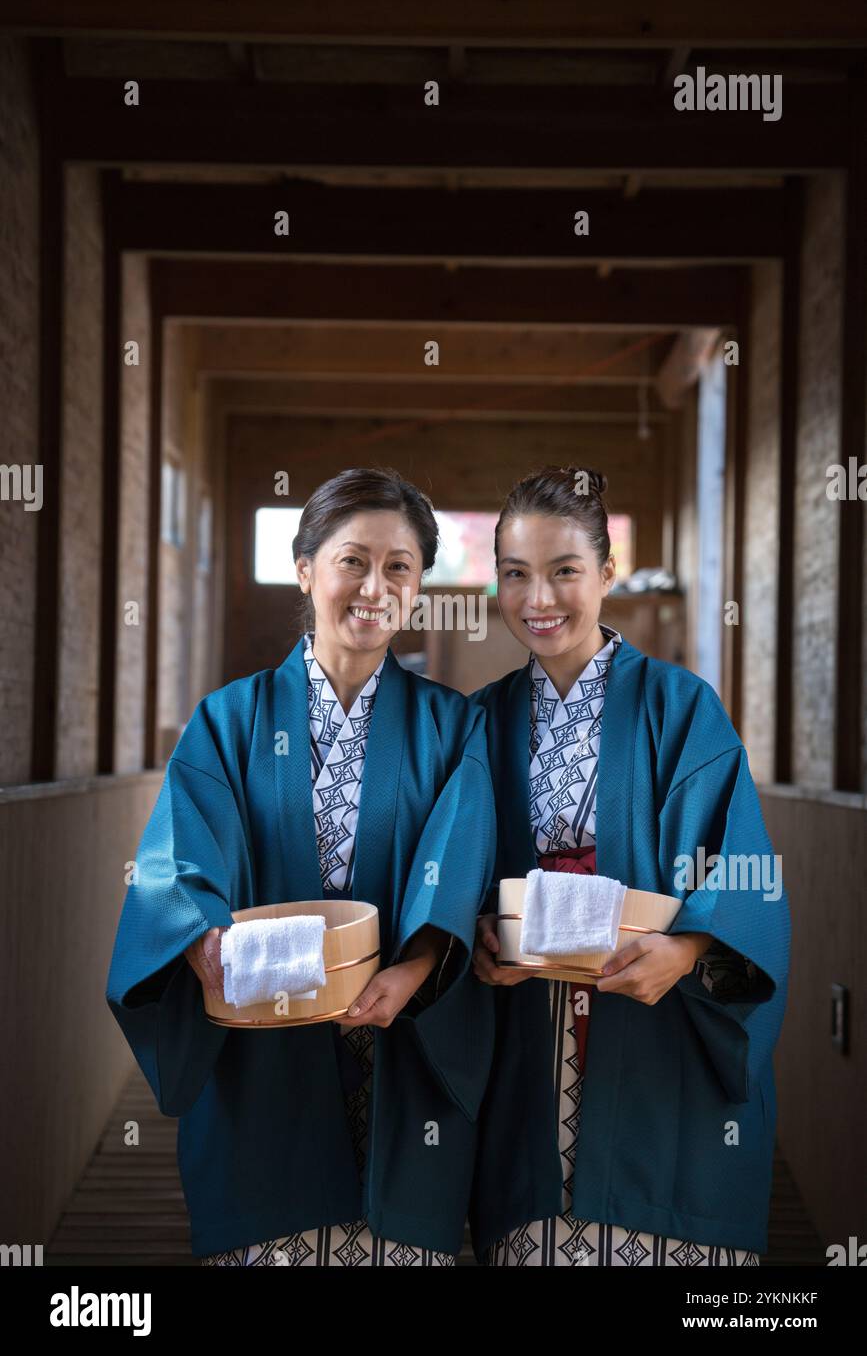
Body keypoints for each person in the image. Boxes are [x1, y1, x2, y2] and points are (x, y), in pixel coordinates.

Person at [106, 467, 496, 1266]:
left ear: (419, 585)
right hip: (262, 1048)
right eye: (352, 559)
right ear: (305, 568)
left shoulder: (452, 726)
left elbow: (461, 865)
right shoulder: (227, 721)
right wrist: (201, 946)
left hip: (401, 1047)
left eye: (399, 567)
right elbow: (176, 866)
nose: (374, 586)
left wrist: (415, 969)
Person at [468, 465, 790, 1267]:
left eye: (564, 571)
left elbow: (743, 871)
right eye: (515, 575)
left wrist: (684, 950)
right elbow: (444, 876)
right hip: (528, 1036)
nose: (538, 598)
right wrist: (468, 940)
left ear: (607, 573)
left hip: (655, 1024)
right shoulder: (479, 720)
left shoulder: (680, 707)